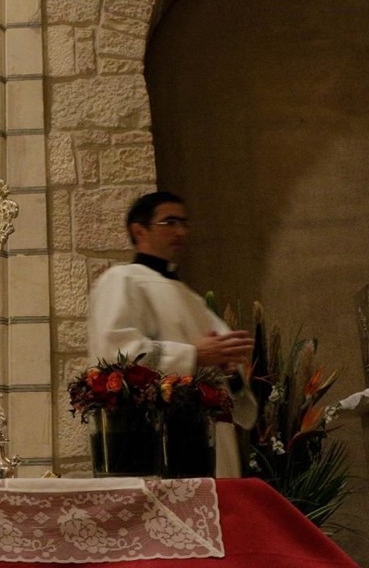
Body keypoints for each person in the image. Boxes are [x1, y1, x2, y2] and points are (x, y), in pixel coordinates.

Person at [87, 191, 258, 478]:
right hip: (154, 446)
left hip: (208, 442)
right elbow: (115, 355)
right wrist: (193, 355)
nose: (181, 232)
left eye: (184, 223)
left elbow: (227, 378)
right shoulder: (122, 281)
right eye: (170, 222)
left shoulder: (192, 300)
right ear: (139, 230)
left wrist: (229, 370)